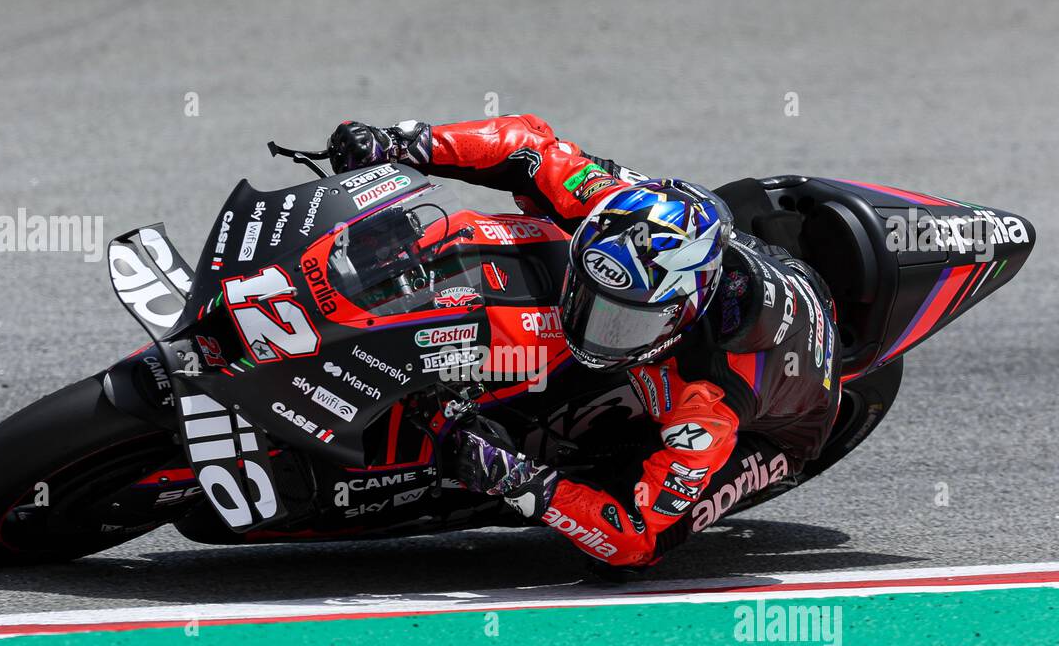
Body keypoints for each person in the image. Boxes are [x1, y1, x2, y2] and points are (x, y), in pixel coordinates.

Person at [327, 115, 841, 571]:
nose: (593, 329)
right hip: (738, 265)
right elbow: (524, 145)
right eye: (588, 300)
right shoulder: (616, 208)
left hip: (780, 429)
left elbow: (636, 539)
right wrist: (403, 143)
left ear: (678, 313)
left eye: (621, 321)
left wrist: (515, 479)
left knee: (627, 510)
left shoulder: (706, 406)